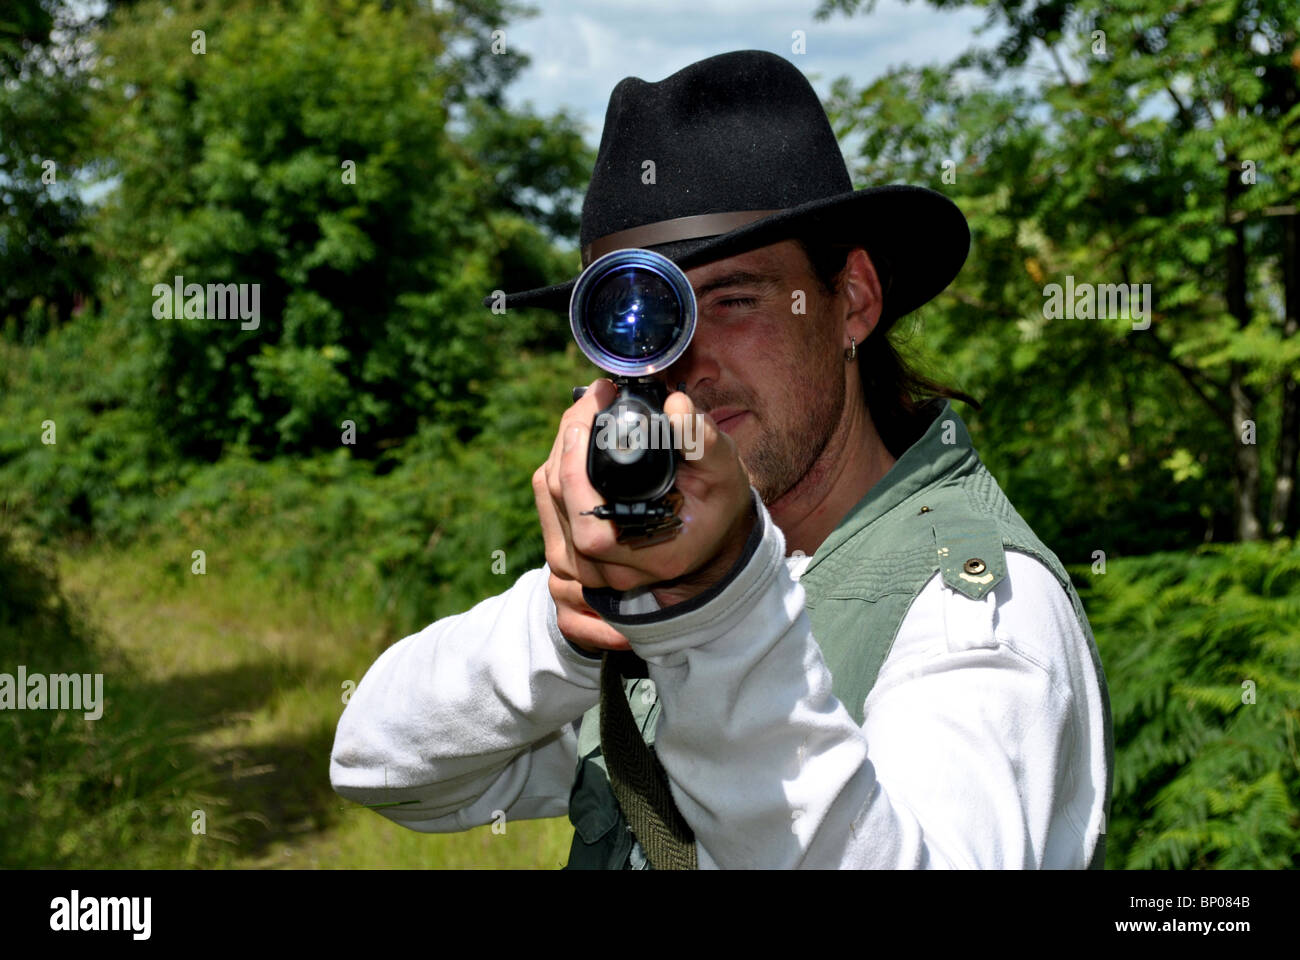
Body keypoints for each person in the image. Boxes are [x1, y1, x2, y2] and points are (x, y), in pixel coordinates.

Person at [329, 49, 1114, 869]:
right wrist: (567, 628)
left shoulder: (972, 605)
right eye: (643, 318)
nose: (688, 361)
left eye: (736, 300)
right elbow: (381, 767)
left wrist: (719, 612)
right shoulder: (666, 569)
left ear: (853, 301)